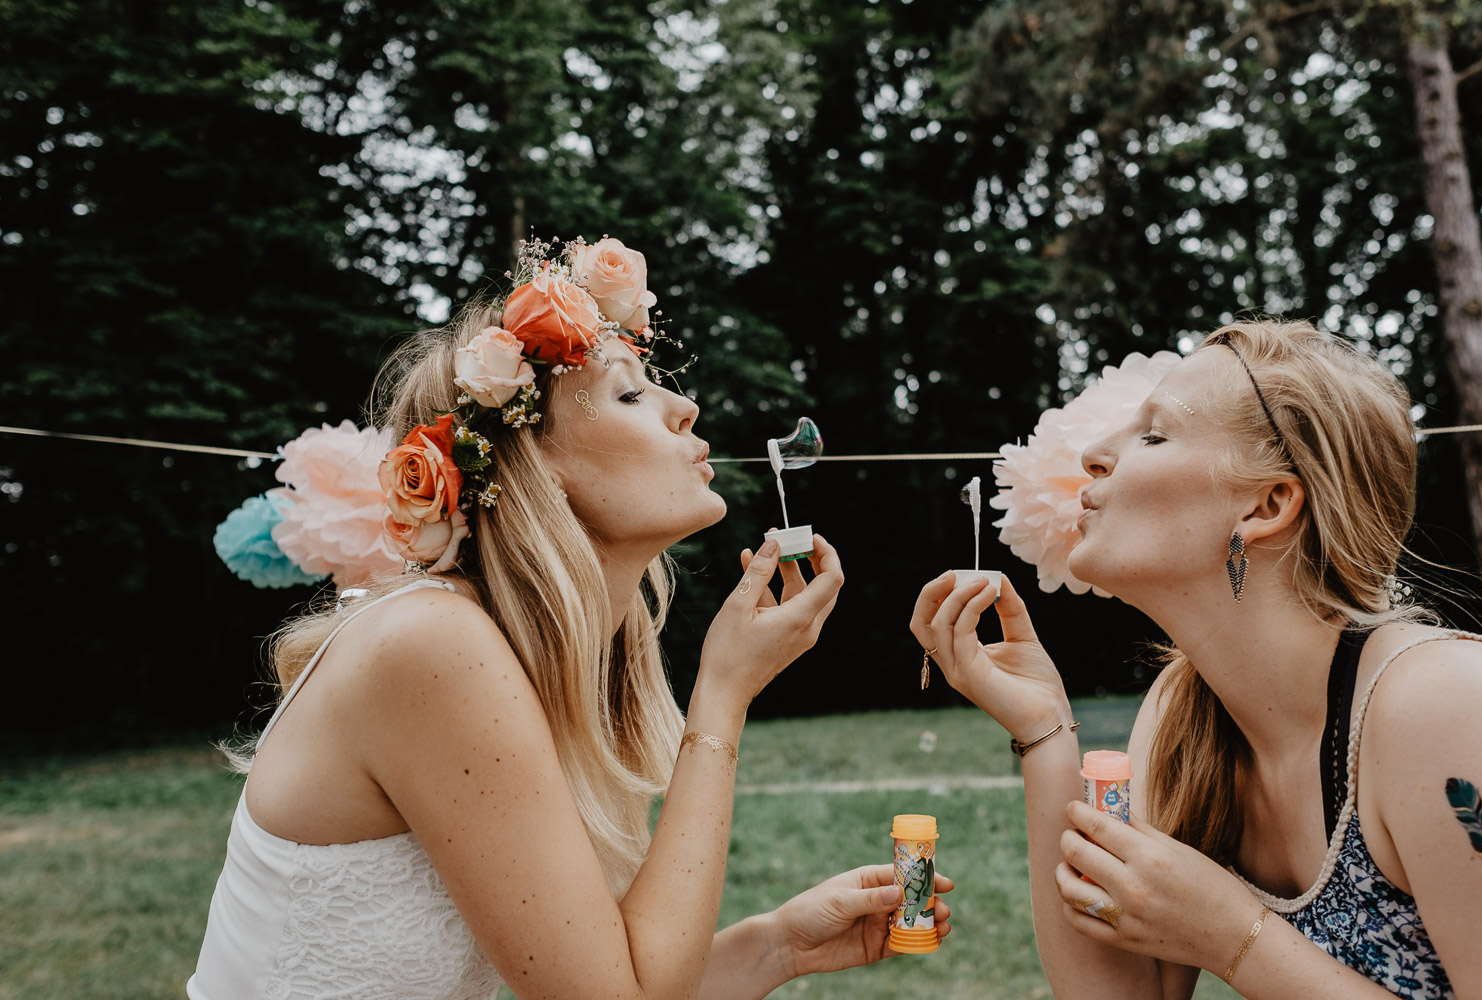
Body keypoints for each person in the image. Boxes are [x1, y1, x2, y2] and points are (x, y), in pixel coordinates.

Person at [190, 237, 951, 1000]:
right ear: (537, 471)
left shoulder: (549, 659)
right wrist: (724, 690)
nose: (685, 407)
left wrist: (776, 946)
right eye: (629, 394)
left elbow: (603, 973)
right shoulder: (433, 644)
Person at [912, 319, 1482, 999]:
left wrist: (1232, 935)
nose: (1095, 455)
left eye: (1153, 435)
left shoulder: (1448, 706)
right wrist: (1044, 732)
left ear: (1268, 503)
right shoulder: (1181, 715)